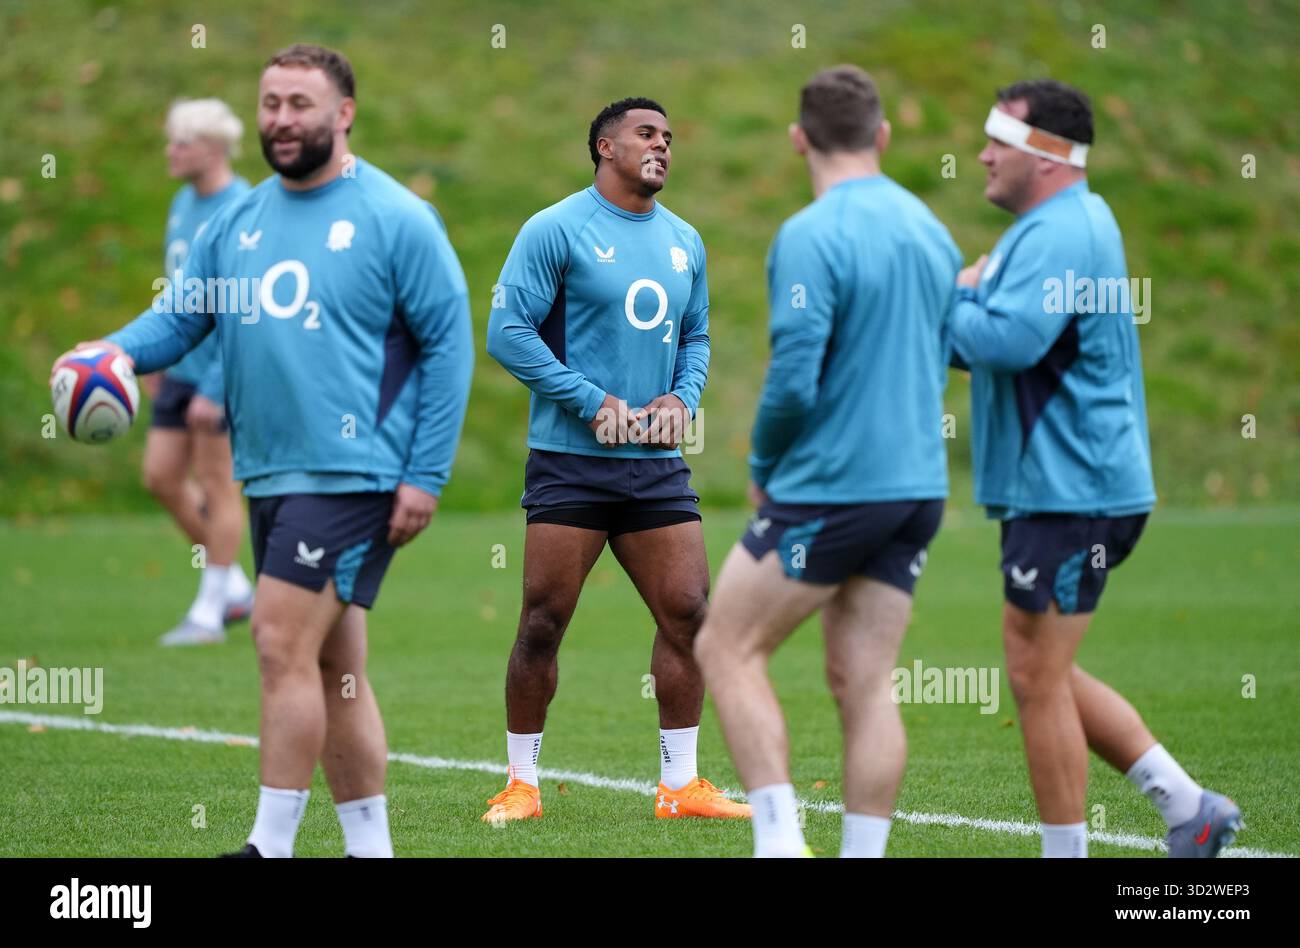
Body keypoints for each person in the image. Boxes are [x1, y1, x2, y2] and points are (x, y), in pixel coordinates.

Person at [53, 44, 473, 858]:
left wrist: (424, 472)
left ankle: (268, 848)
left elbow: (448, 347)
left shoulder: (395, 217)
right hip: (270, 469)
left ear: (343, 113)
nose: (282, 119)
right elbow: (179, 318)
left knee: (279, 641)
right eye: (271, 102)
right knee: (333, 666)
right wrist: (108, 353)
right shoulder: (238, 221)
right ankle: (371, 850)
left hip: (355, 473)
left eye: (300, 104)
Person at [949, 78, 1241, 857]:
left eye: (997, 141)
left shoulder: (1059, 233)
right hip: (1063, 486)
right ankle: (1189, 810)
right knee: (1042, 668)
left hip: (1072, 488)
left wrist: (945, 296)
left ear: (1045, 155)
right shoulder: (1054, 225)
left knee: (1036, 676)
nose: (980, 154)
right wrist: (966, 302)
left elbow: (1004, 344)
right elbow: (991, 338)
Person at [693, 66, 961, 857]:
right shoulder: (931, 230)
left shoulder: (810, 234)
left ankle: (779, 844)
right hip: (917, 490)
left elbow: (793, 376)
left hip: (833, 489)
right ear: (881, 135)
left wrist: (765, 461)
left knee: (725, 648)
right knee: (864, 682)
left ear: (798, 138)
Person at [483, 97, 749, 822]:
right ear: (605, 146)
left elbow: (695, 336)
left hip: (656, 465)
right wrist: (589, 399)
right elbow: (507, 331)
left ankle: (680, 786)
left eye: (668, 135)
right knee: (543, 619)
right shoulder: (555, 228)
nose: (661, 144)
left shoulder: (684, 241)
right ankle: (521, 784)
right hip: (571, 461)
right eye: (645, 133)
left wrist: (682, 400)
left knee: (691, 614)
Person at [145, 98, 255, 646]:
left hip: (222, 371)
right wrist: (154, 354)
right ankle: (234, 583)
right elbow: (177, 290)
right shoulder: (182, 201)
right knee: (160, 476)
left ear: (210, 149)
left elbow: (243, 310)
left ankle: (210, 611)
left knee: (218, 482)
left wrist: (214, 387)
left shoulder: (243, 208)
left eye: (179, 143)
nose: (170, 151)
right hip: (180, 366)